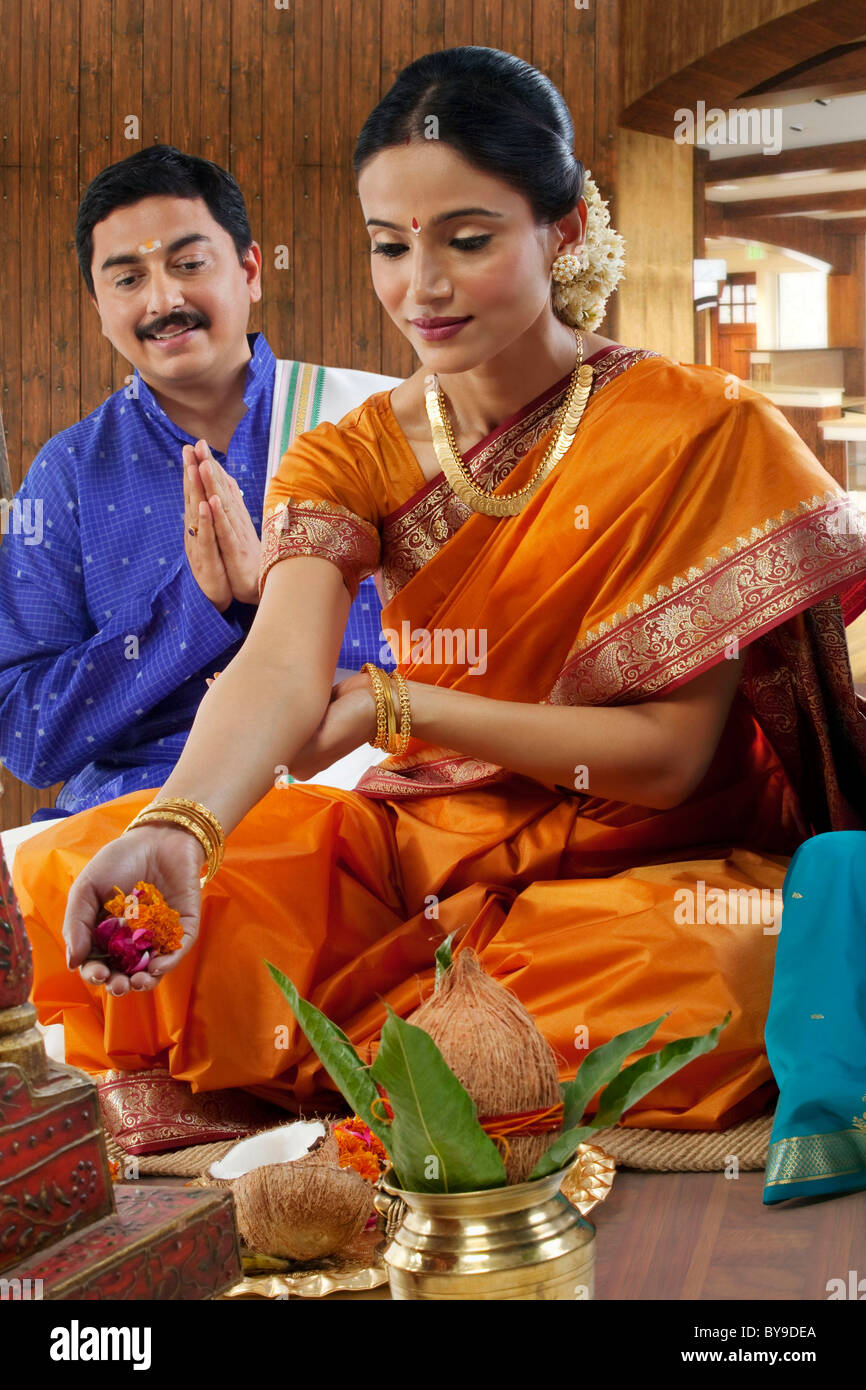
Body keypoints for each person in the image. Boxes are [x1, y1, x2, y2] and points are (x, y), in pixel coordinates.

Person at [12, 47, 866, 1160]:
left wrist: (392, 708)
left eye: (467, 239)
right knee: (105, 866)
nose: (421, 285)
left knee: (715, 970)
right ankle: (420, 1057)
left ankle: (298, 1061)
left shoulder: (694, 427)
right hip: (427, 840)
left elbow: (664, 759)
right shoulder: (349, 450)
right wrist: (183, 826)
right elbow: (278, 665)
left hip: (648, 858)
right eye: (388, 245)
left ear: (562, 231)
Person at [0, 146, 393, 819]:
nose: (164, 300)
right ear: (97, 306)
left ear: (249, 271)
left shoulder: (374, 424)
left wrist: (280, 593)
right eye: (127, 279)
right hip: (131, 820)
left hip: (360, 804)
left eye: (188, 264)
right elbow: (28, 738)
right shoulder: (66, 476)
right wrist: (194, 606)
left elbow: (487, 662)